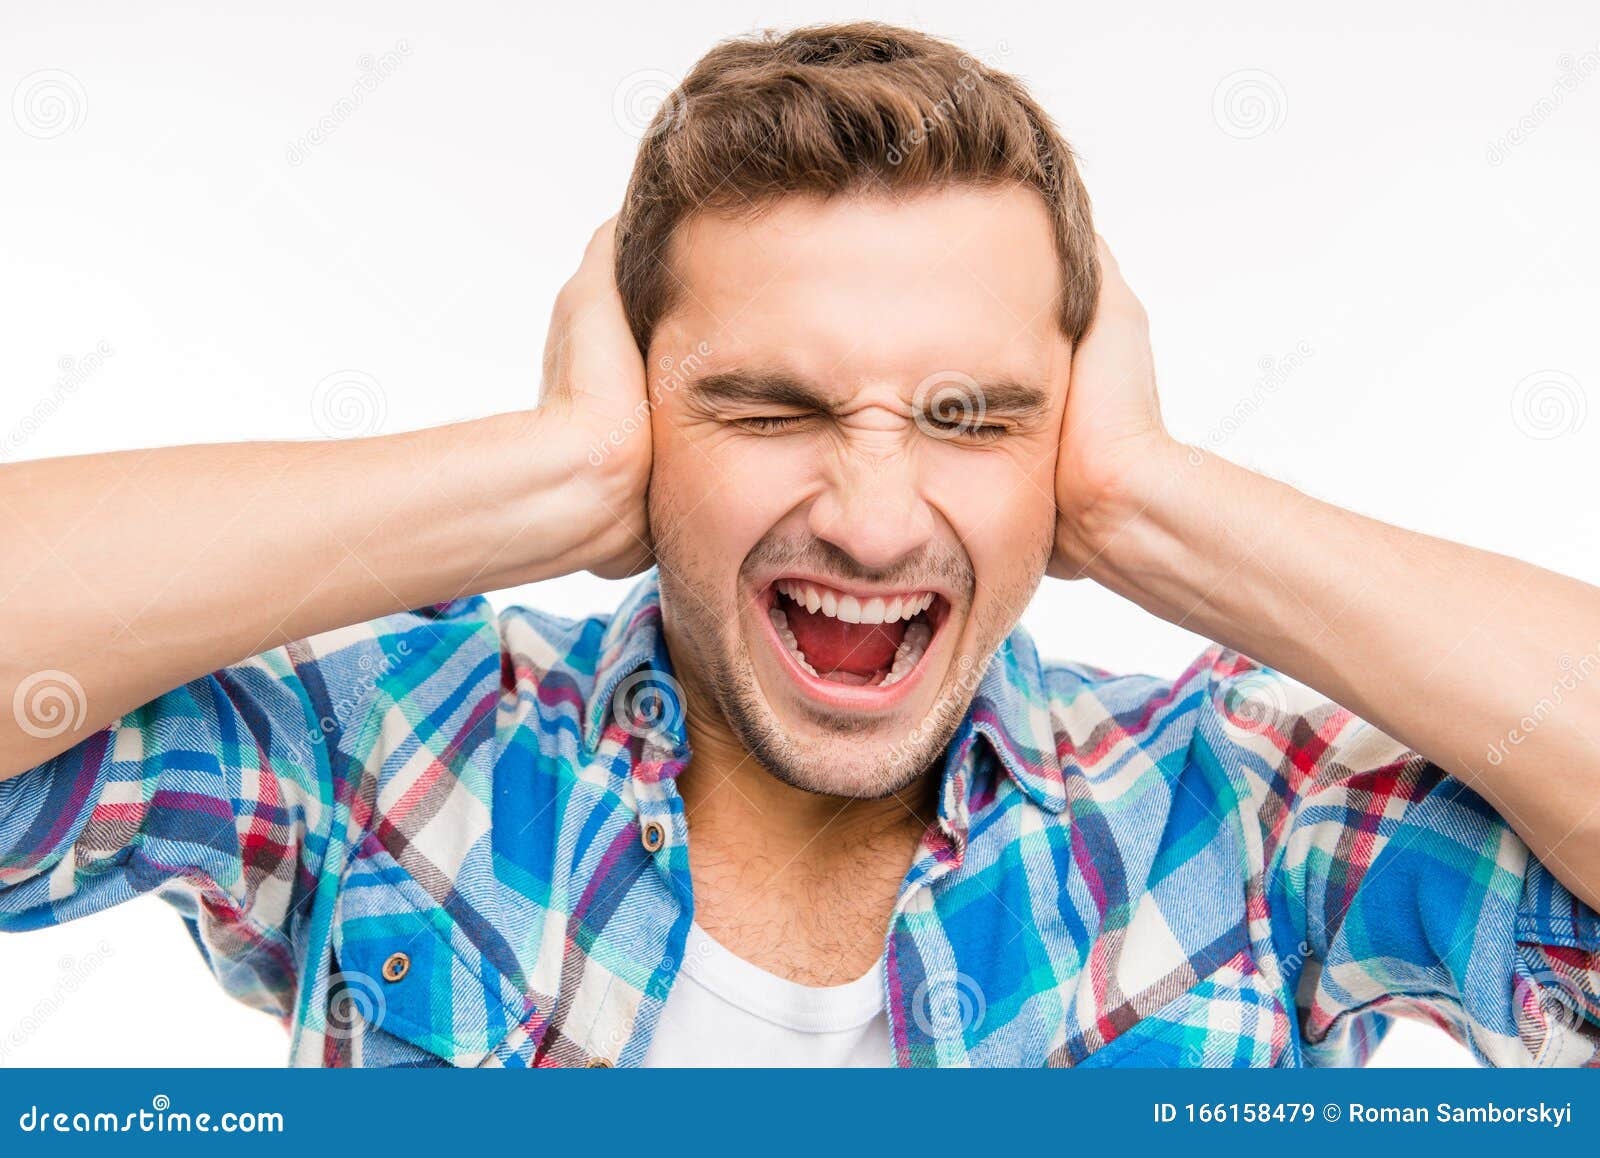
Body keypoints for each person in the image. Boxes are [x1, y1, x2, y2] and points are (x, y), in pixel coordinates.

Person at [2, 22, 1597, 1068]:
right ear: (640, 412)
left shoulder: (1244, 817)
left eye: (974, 417)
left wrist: (1144, 494)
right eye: (766, 408)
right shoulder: (396, 749)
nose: (875, 511)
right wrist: (544, 475)